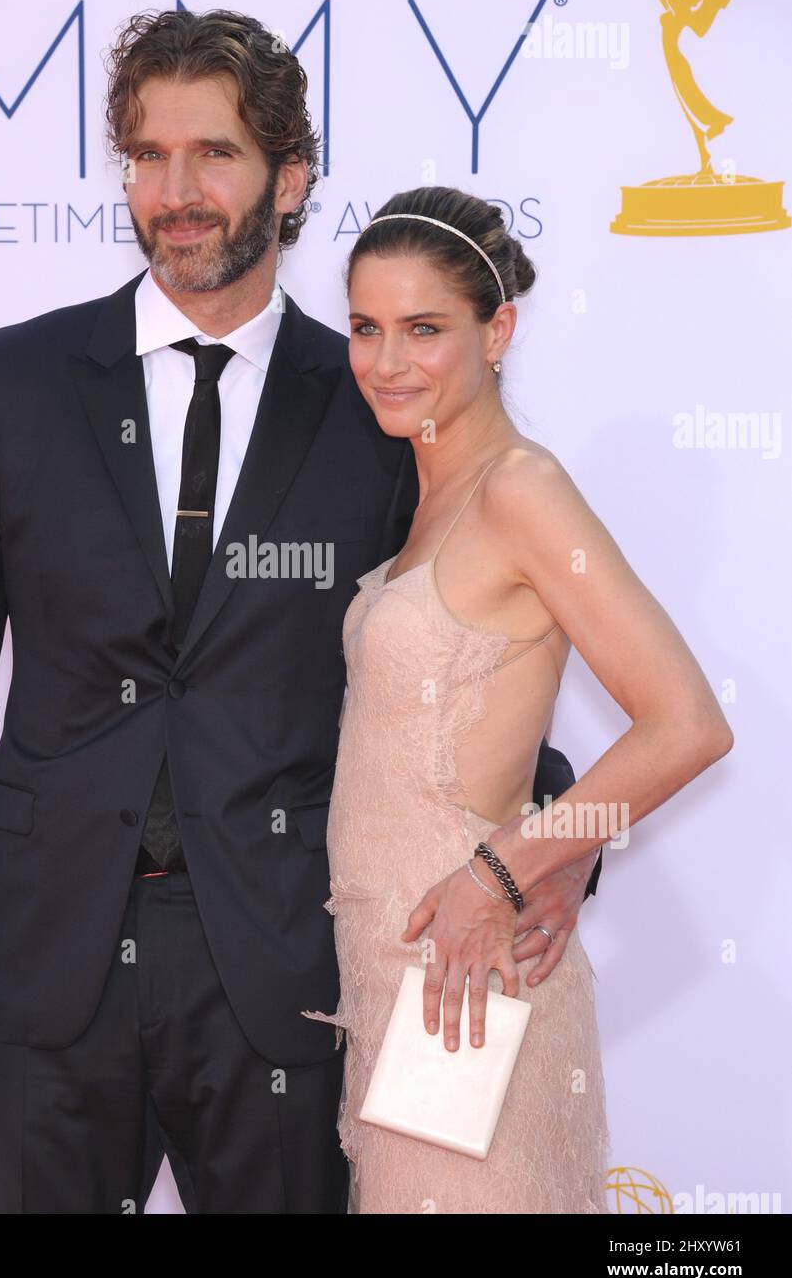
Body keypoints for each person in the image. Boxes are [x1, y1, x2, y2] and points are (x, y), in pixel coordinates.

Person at [0, 10, 600, 1215]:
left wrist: (561, 843)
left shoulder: (372, 405)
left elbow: (458, 664)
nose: (176, 190)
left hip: (287, 960)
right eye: (147, 156)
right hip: (44, 960)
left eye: (212, 154)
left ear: (289, 178)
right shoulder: (14, 381)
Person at [302, 186, 734, 1213]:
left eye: (423, 329)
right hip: (401, 981)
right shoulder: (434, 492)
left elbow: (686, 723)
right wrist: (555, 844)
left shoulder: (517, 489)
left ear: (497, 330)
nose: (385, 361)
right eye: (364, 327)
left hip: (462, 990)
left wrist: (506, 865)